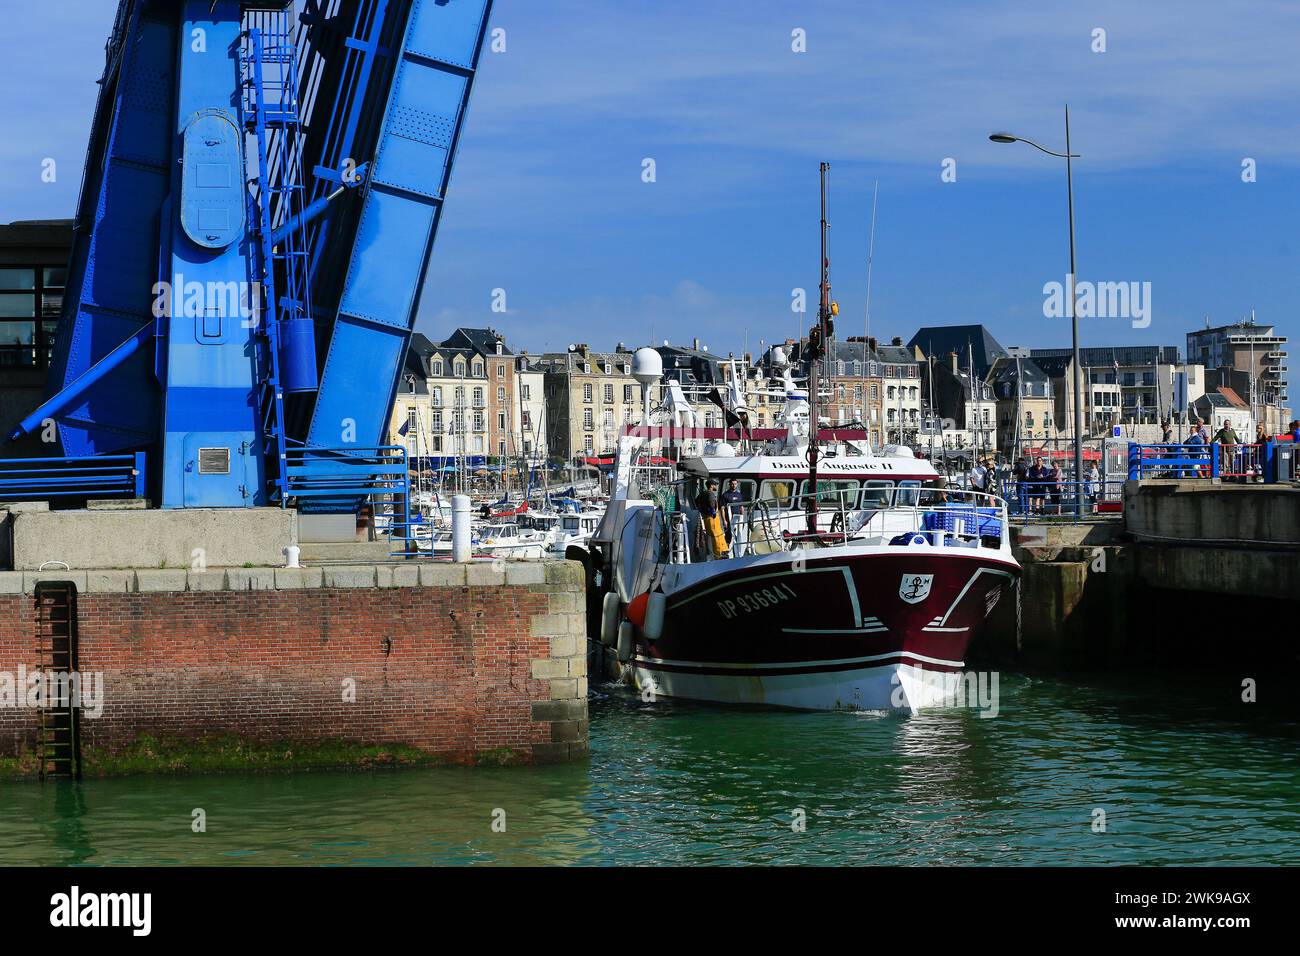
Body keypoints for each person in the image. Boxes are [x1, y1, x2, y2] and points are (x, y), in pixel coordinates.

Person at [694, 478, 728, 559]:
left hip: (706, 518)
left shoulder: (702, 494)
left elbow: (696, 501)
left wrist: (702, 509)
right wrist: (712, 510)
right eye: (715, 485)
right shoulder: (710, 494)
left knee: (715, 535)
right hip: (712, 518)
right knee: (717, 535)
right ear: (712, 485)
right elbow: (711, 502)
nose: (716, 486)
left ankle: (723, 550)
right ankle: (719, 554)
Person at [720, 478, 747, 555]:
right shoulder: (725, 495)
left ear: (737, 484)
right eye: (732, 484)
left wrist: (742, 518)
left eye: (735, 484)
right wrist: (724, 520)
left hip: (738, 519)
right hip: (729, 519)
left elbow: (741, 507)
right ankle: (726, 552)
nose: (733, 485)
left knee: (738, 534)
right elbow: (722, 509)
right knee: (728, 535)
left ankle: (738, 552)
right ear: (729, 484)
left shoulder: (739, 495)